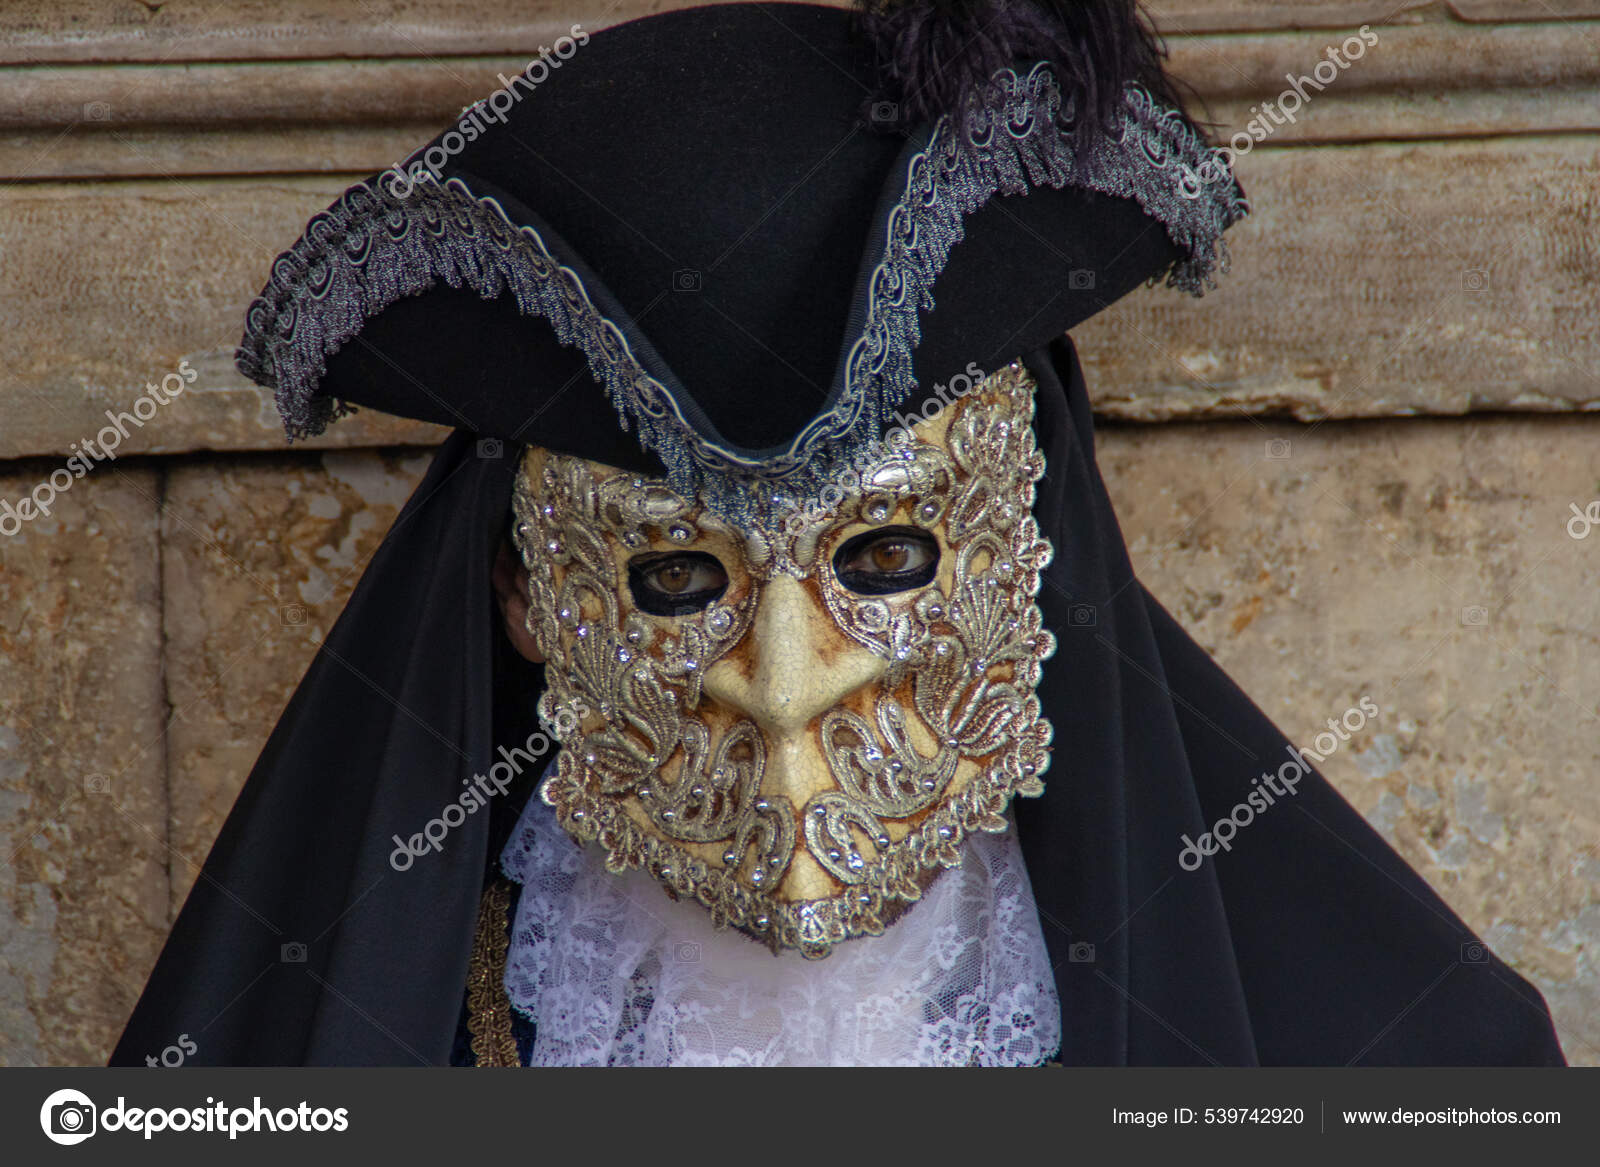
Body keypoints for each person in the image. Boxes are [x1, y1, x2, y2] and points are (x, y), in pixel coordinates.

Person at [111, 0, 1564, 1067]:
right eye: (677, 576)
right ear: (524, 595)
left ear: (1021, 548)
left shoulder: (1375, 1061)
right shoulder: (383, 1028)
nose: (787, 679)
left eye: (881, 558)